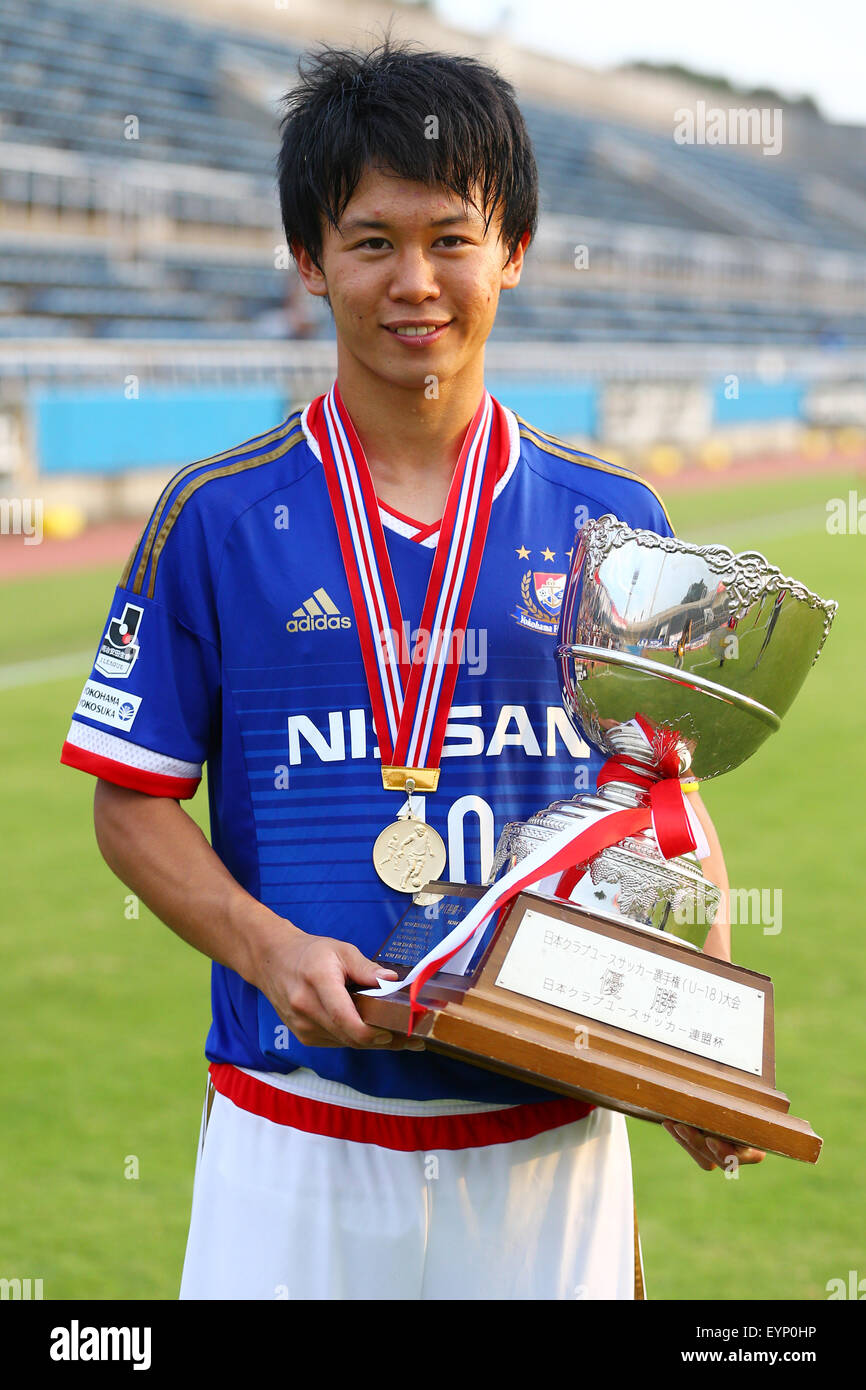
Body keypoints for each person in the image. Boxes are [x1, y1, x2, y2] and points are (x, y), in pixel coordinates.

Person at [60, 39, 762, 1301]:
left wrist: (688, 1045)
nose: (414, 281)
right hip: (295, 1133)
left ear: (515, 251)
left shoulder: (618, 517)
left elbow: (666, 805)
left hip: (546, 1134)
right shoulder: (216, 516)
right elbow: (130, 802)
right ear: (308, 262)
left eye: (451, 236)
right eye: (371, 241)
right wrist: (270, 948)